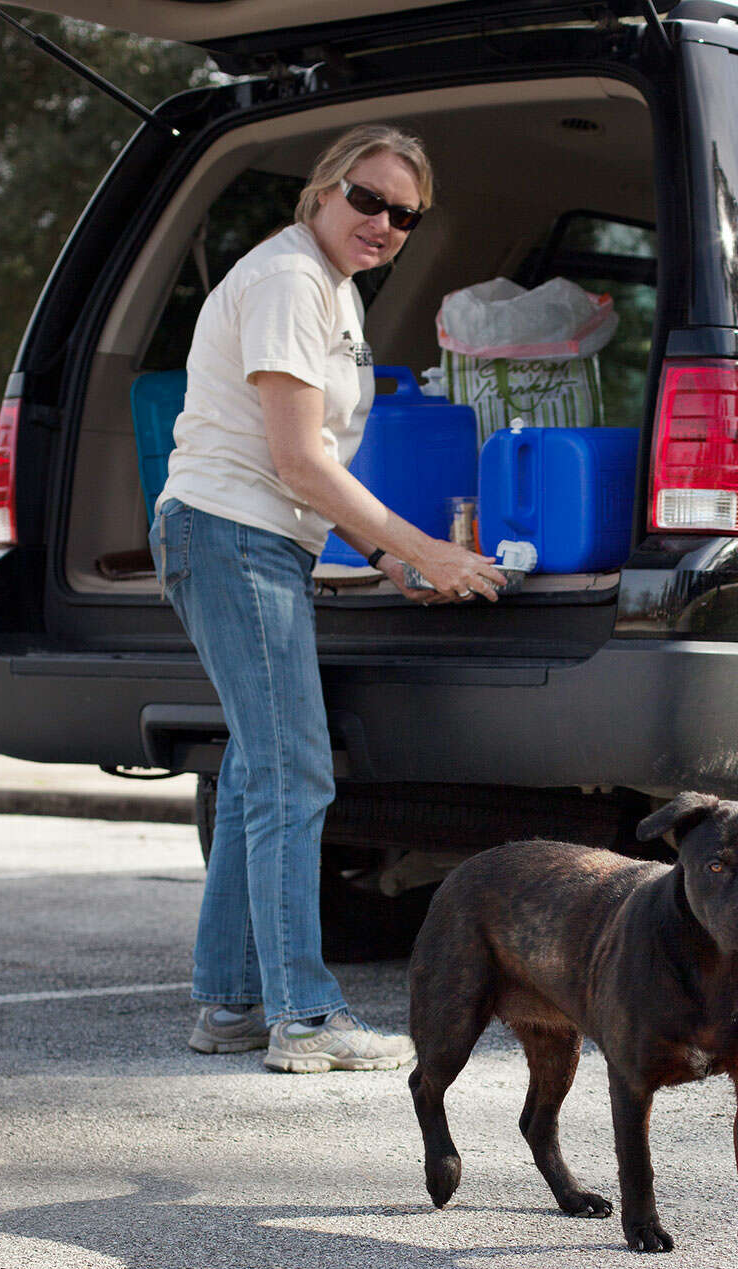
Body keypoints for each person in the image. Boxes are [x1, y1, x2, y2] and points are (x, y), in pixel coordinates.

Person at [148, 124, 501, 1074]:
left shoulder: (329, 290)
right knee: (296, 772)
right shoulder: (288, 280)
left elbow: (310, 471)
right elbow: (299, 459)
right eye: (369, 198)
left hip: (254, 537)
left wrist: (385, 561)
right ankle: (304, 1017)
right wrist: (421, 544)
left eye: (405, 214)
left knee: (263, 773)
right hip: (228, 534)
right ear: (322, 190)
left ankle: (228, 1004)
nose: (383, 222)